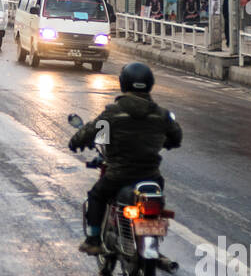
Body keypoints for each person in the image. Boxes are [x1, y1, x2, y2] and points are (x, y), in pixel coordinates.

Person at [68, 62, 183, 255]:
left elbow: (90, 131)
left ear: (124, 83)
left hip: (119, 175)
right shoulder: (161, 114)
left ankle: (93, 240)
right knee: (156, 199)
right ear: (150, 84)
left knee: (96, 196)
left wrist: (76, 141)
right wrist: (164, 142)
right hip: (151, 176)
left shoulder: (113, 112)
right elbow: (176, 138)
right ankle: (152, 243)